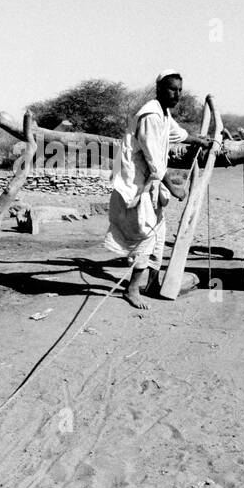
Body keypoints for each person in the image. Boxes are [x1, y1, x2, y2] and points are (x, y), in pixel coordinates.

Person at [102, 71, 214, 309]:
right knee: (147, 233)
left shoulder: (164, 113)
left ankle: (153, 282)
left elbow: (178, 133)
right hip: (137, 183)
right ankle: (132, 288)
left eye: (180, 90)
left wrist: (199, 141)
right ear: (159, 89)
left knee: (159, 232)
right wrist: (174, 189)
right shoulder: (151, 116)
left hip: (149, 183)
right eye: (172, 89)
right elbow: (154, 161)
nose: (177, 94)